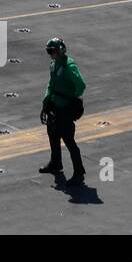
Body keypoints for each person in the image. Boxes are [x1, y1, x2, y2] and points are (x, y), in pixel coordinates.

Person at [39, 37, 86, 186]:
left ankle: (79, 173)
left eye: (52, 51)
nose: (51, 55)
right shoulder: (54, 65)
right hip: (54, 105)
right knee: (52, 134)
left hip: (65, 107)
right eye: (49, 52)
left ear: (60, 50)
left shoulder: (69, 66)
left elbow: (81, 85)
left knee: (68, 140)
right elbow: (50, 85)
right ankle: (56, 163)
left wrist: (71, 99)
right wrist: (45, 104)